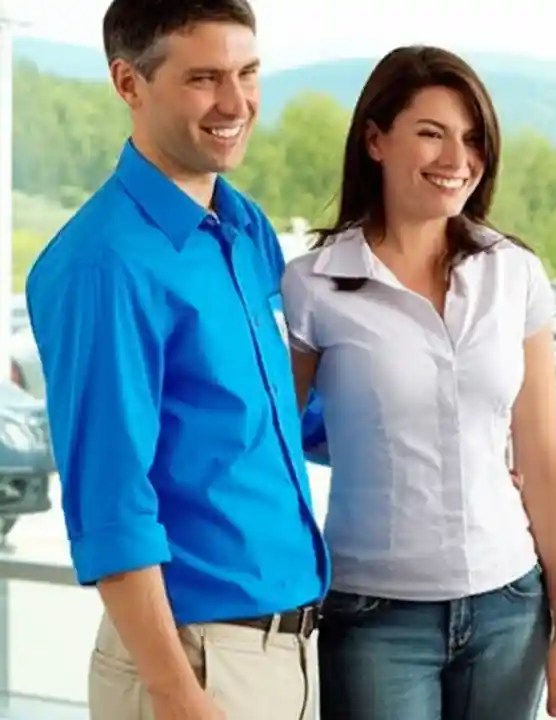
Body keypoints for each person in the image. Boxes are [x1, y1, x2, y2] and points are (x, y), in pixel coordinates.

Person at [24, 2, 328, 719]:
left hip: (289, 653)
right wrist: (175, 691)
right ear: (129, 83)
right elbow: (109, 498)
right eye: (204, 79)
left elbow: (273, 425)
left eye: (247, 73)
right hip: (194, 664)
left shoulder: (245, 228)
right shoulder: (104, 264)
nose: (236, 103)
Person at [280, 46, 556, 720]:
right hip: (374, 616)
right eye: (431, 133)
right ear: (376, 140)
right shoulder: (314, 284)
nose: (457, 159)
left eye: (472, 139)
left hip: (511, 606)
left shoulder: (514, 273)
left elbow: (542, 457)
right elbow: (272, 453)